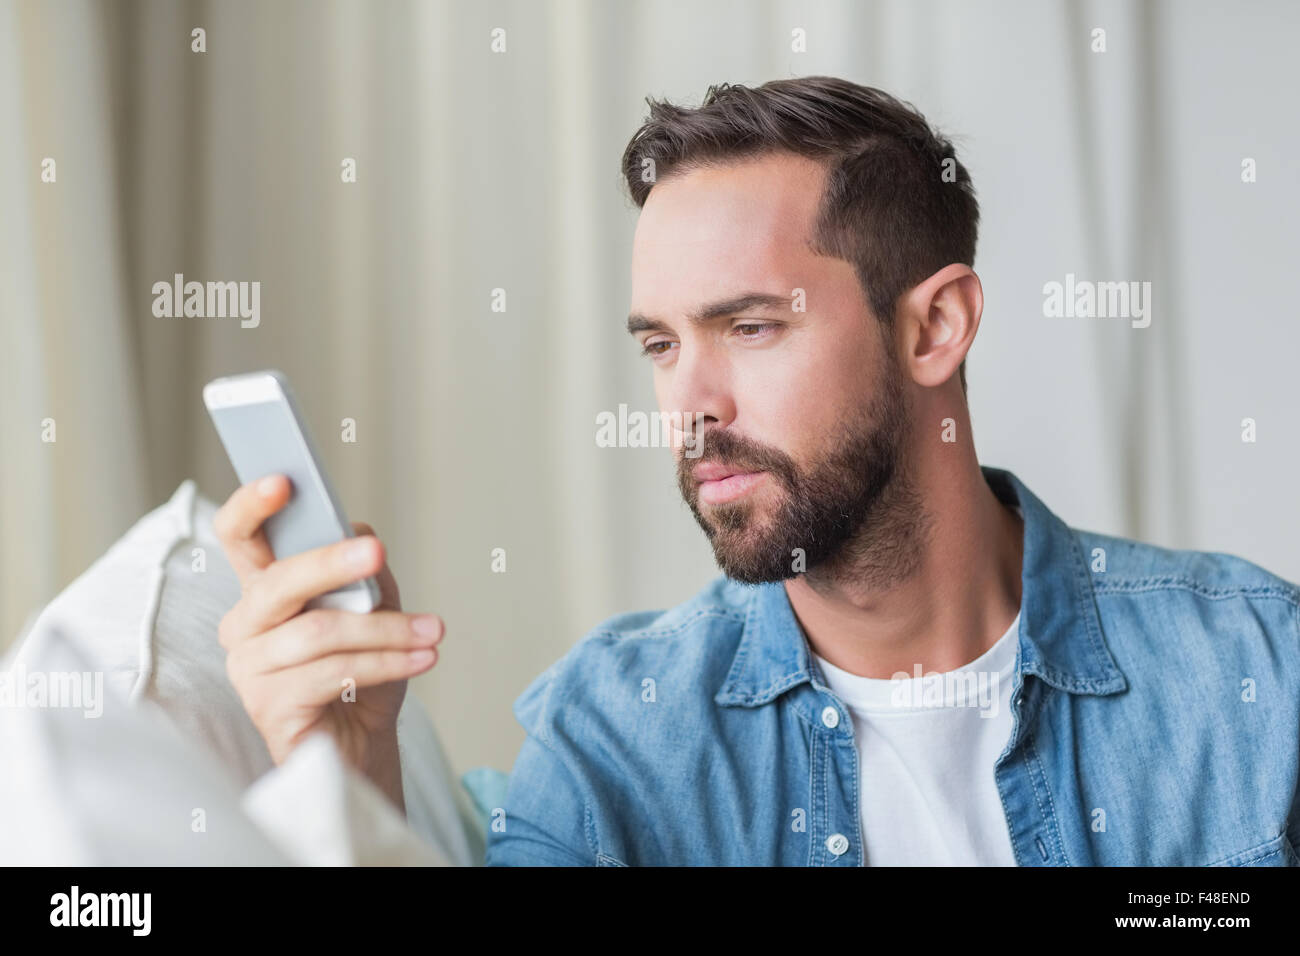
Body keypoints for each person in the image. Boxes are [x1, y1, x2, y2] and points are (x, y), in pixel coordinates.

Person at [213, 77, 1300, 867]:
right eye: (659, 344)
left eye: (747, 325)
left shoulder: (1255, 676)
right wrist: (346, 782)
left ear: (934, 328)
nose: (691, 405)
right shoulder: (614, 741)